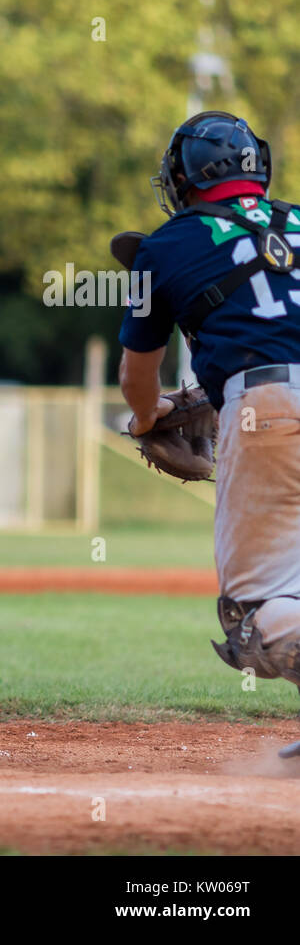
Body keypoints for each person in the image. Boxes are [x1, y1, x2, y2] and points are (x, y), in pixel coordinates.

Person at [120, 111, 300, 716]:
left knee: (254, 614)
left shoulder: (164, 246)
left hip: (266, 409)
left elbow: (136, 376)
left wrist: (147, 419)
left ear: (184, 178)